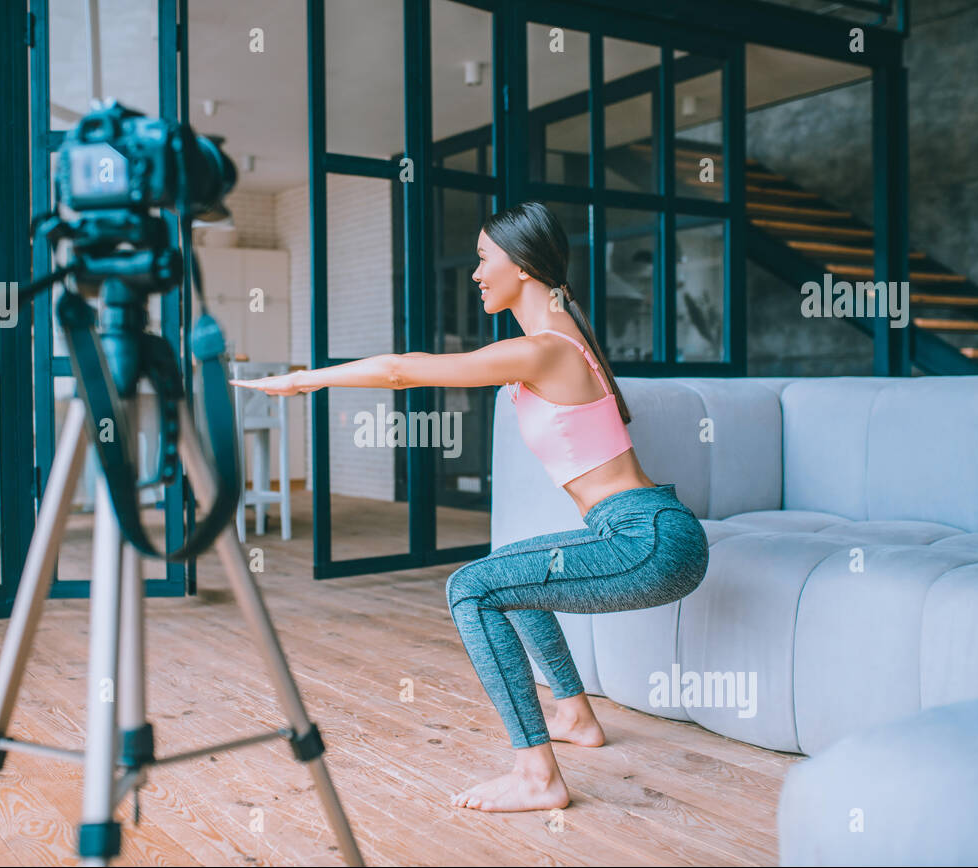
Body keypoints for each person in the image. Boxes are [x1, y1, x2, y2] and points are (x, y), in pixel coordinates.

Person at [231, 200, 709, 812]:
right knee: (510, 572)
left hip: (649, 540)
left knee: (470, 588)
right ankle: (575, 716)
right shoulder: (562, 336)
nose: (477, 273)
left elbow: (407, 371)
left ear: (526, 266)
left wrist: (304, 380)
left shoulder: (546, 348)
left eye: (485, 259)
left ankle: (538, 776)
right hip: (651, 529)